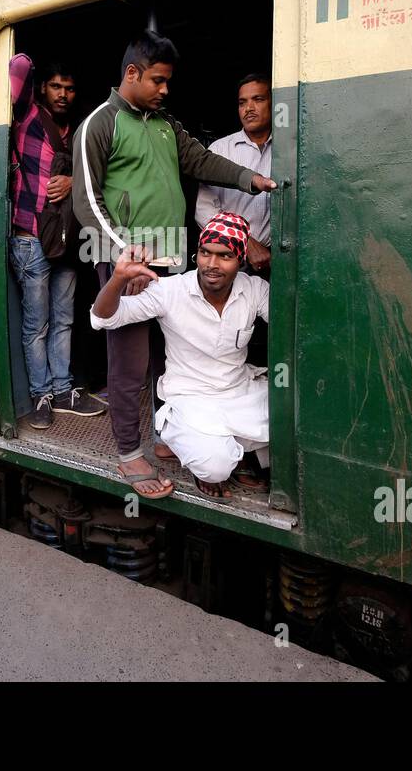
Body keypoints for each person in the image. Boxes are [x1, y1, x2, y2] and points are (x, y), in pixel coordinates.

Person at [71, 30, 275, 497]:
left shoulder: (165, 123)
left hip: (170, 258)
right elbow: (88, 201)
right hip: (129, 263)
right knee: (129, 362)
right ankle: (128, 453)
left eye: (168, 82)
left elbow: (202, 161)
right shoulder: (100, 123)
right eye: (158, 81)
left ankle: (167, 436)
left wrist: (249, 179)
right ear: (131, 74)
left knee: (167, 355)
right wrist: (123, 254)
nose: (166, 90)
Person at [91, 212, 269, 500]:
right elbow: (102, 319)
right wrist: (118, 279)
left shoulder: (254, 289)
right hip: (191, 400)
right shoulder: (171, 290)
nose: (212, 264)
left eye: (224, 256)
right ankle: (213, 450)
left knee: (301, 425)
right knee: (215, 466)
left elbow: (296, 326)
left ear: (241, 261)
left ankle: (231, 449)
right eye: (205, 253)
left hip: (240, 392)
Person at [8, 54, 105, 428]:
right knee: (38, 326)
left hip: (65, 242)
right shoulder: (28, 116)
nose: (63, 94)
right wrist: (30, 59)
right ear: (42, 89)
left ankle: (63, 391)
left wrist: (73, 182)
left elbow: (96, 180)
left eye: (69, 88)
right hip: (30, 238)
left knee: (64, 320)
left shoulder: (77, 130)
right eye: (55, 87)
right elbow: (16, 69)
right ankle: (41, 396)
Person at [195, 74, 274, 274]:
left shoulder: (289, 151)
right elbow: (204, 211)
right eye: (242, 103)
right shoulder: (220, 150)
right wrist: (244, 242)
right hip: (228, 260)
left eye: (258, 99)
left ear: (274, 103)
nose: (249, 108)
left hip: (275, 262)